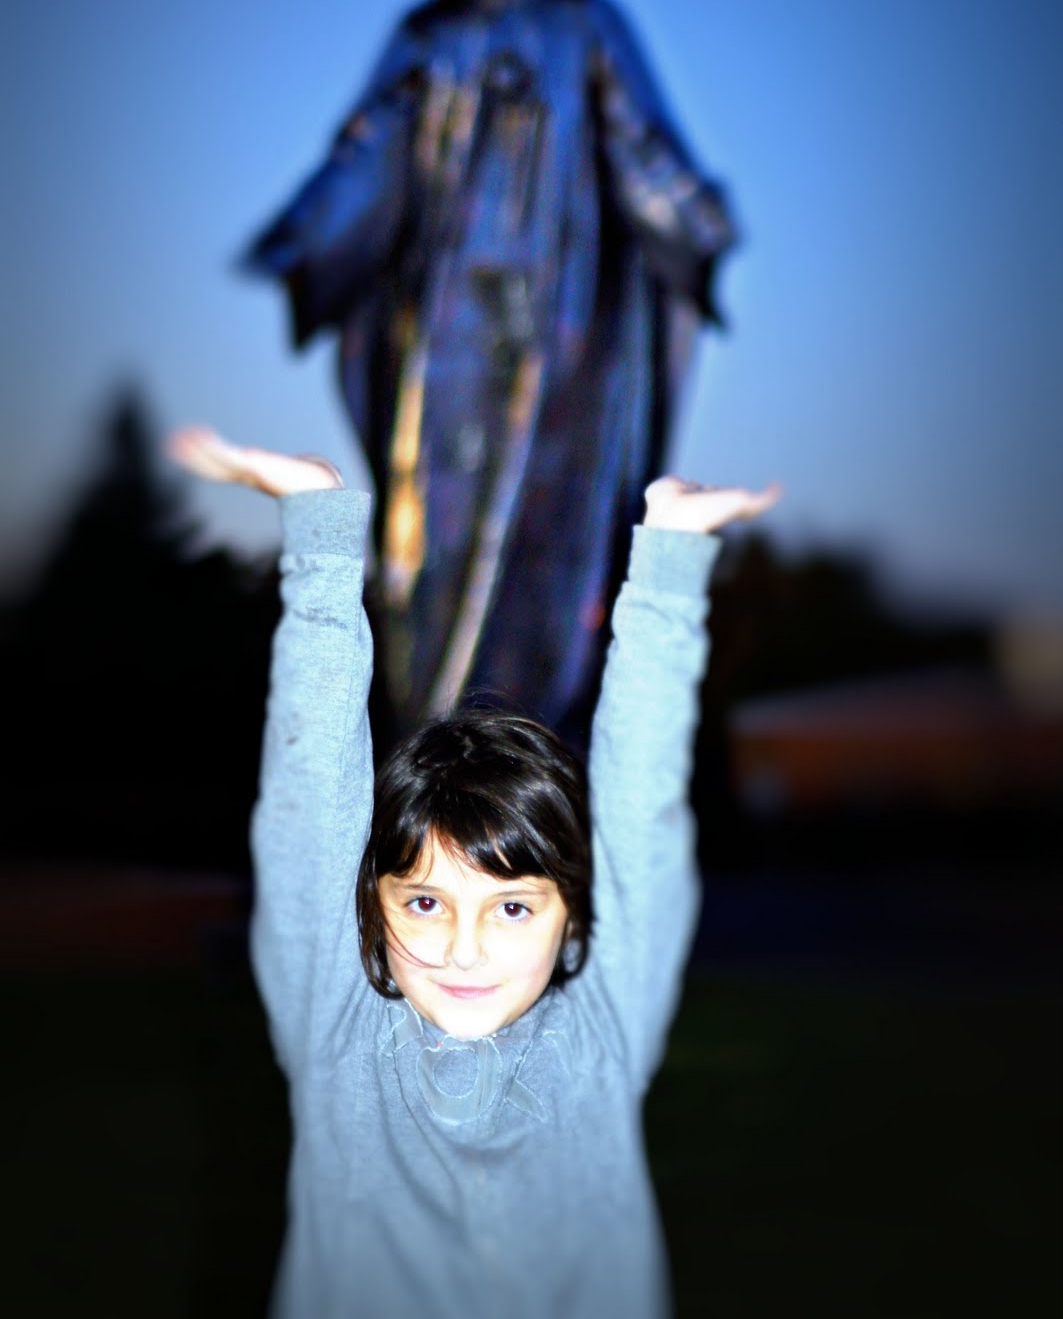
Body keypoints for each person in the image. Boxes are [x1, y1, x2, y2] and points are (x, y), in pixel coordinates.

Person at [166, 424, 778, 1319]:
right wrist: (319, 535)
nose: (463, 949)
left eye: (513, 909)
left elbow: (640, 805)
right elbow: (307, 804)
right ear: (371, 905)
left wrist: (669, 563)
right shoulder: (338, 1033)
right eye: (424, 901)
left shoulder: (603, 1032)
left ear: (573, 914)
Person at [242, 0, 739, 745]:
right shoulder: (428, 38)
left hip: (559, 314)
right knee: (431, 520)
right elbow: (367, 147)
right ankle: (435, 737)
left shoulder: (585, 23)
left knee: (553, 521)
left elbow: (636, 136)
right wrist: (304, 231)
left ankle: (539, 737)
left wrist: (693, 215)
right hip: (449, 316)